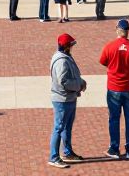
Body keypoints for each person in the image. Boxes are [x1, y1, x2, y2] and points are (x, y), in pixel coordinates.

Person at [99, 19, 129, 160]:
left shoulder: (109, 46)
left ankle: (114, 148)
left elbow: (103, 61)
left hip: (114, 88)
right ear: (127, 31)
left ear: (117, 30)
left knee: (114, 118)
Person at [48, 33, 86, 168]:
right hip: (62, 100)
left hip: (69, 98)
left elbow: (71, 76)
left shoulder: (65, 57)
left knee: (67, 127)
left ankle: (68, 152)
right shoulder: (62, 60)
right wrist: (79, 85)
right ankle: (53, 157)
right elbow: (63, 81)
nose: (72, 47)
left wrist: (80, 81)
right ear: (67, 46)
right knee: (59, 127)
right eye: (71, 45)